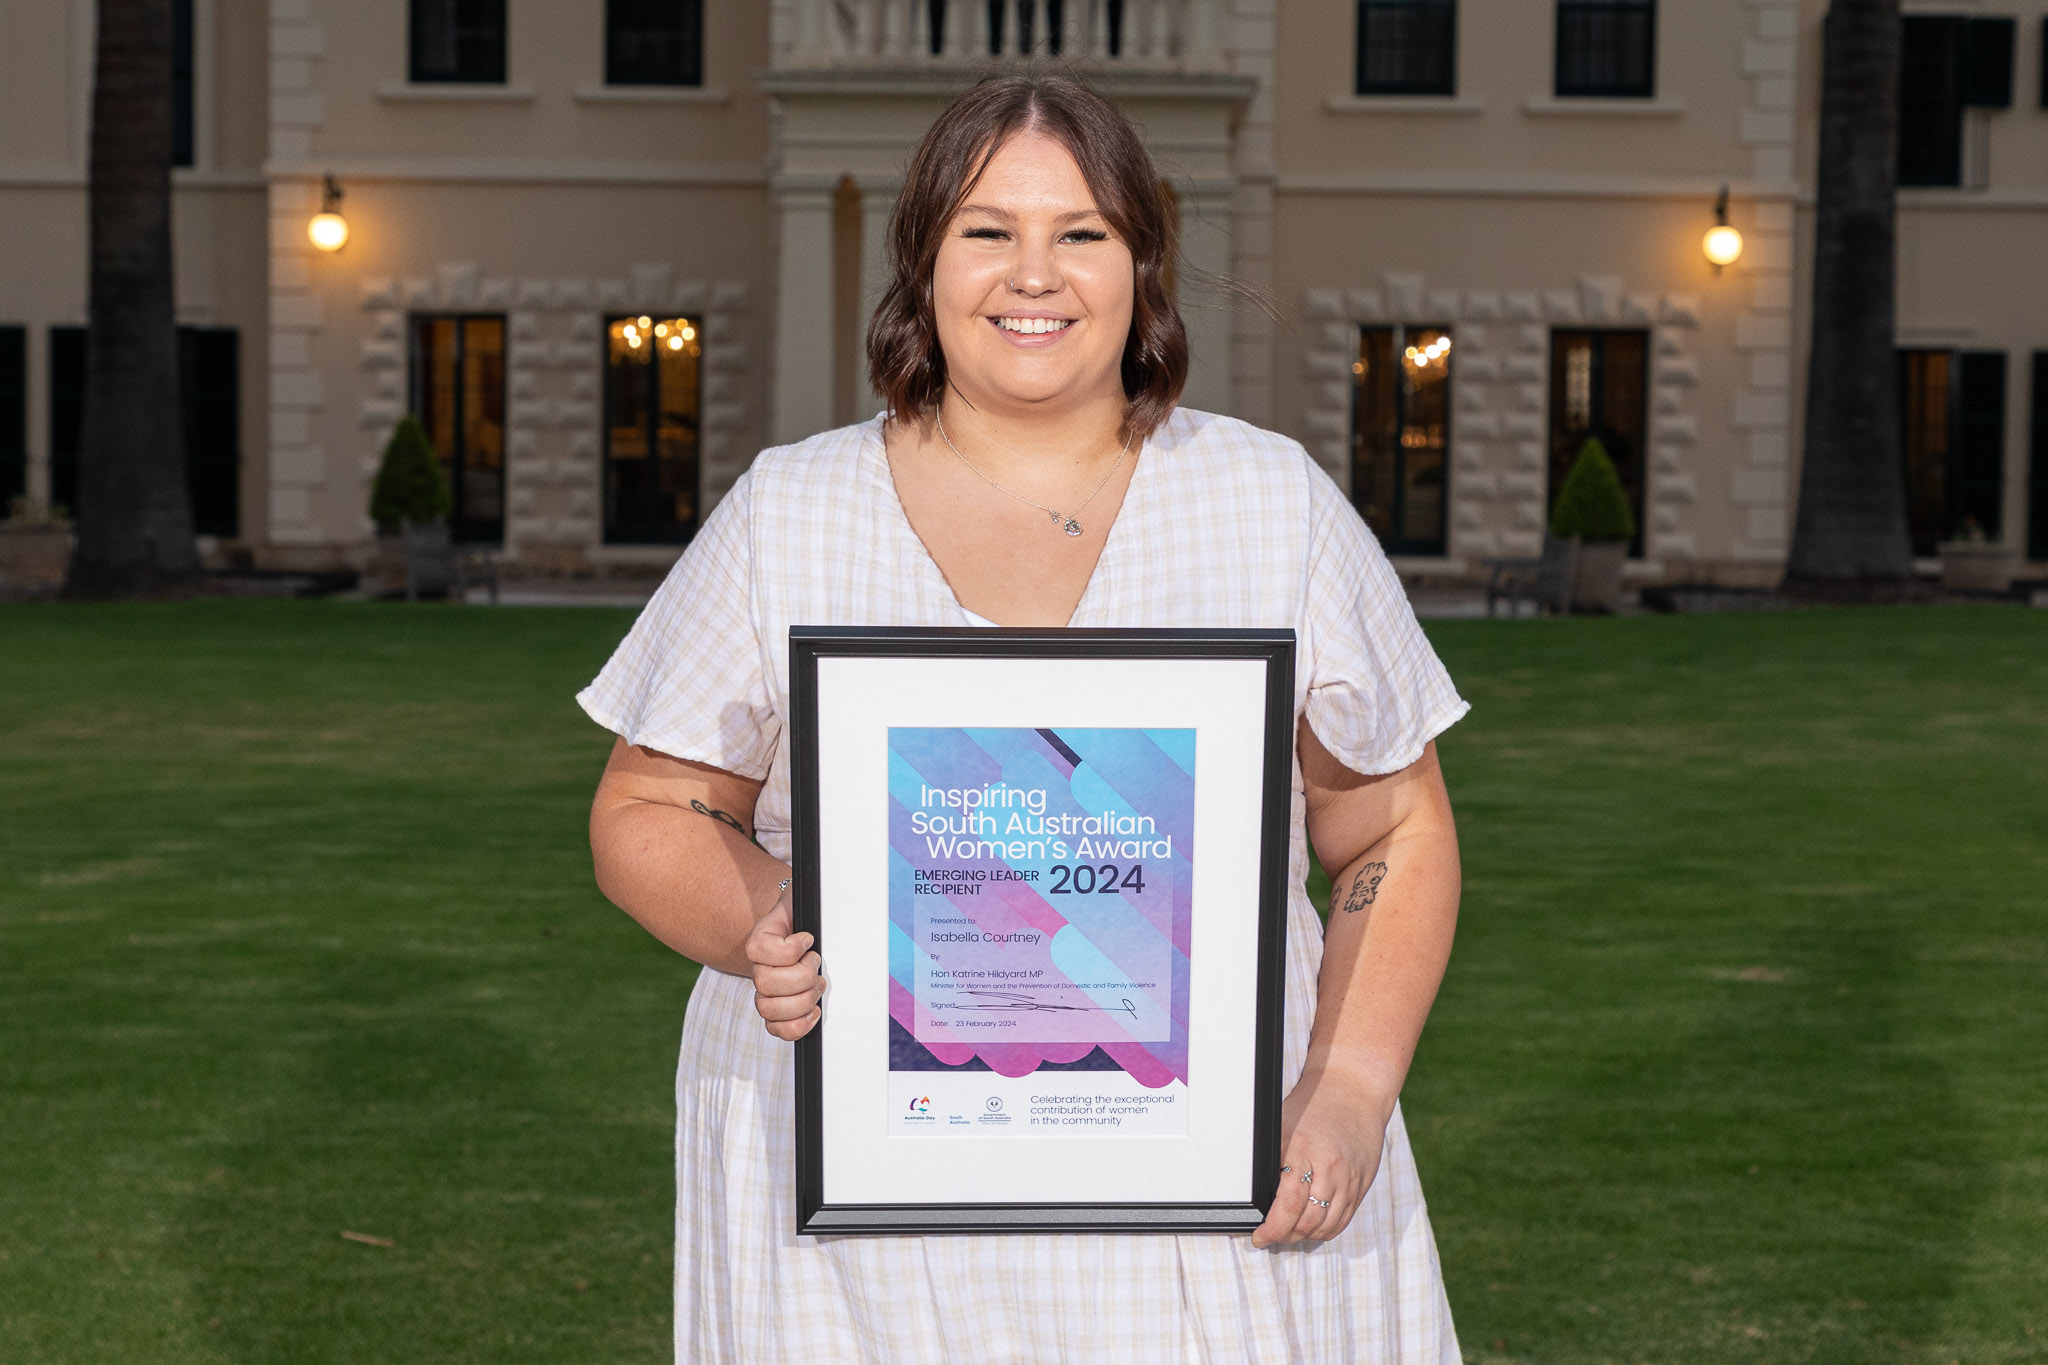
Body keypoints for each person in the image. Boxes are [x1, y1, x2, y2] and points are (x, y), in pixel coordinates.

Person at [581, 72, 1469, 1363]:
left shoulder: (1270, 507)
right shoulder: (794, 511)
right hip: (853, 1190)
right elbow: (644, 809)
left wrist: (1348, 1088)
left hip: (1215, 1178)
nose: (1032, 275)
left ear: (1144, 265)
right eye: (988, 231)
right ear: (924, 262)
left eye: (1083, 234)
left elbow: (1393, 820)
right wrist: (761, 916)